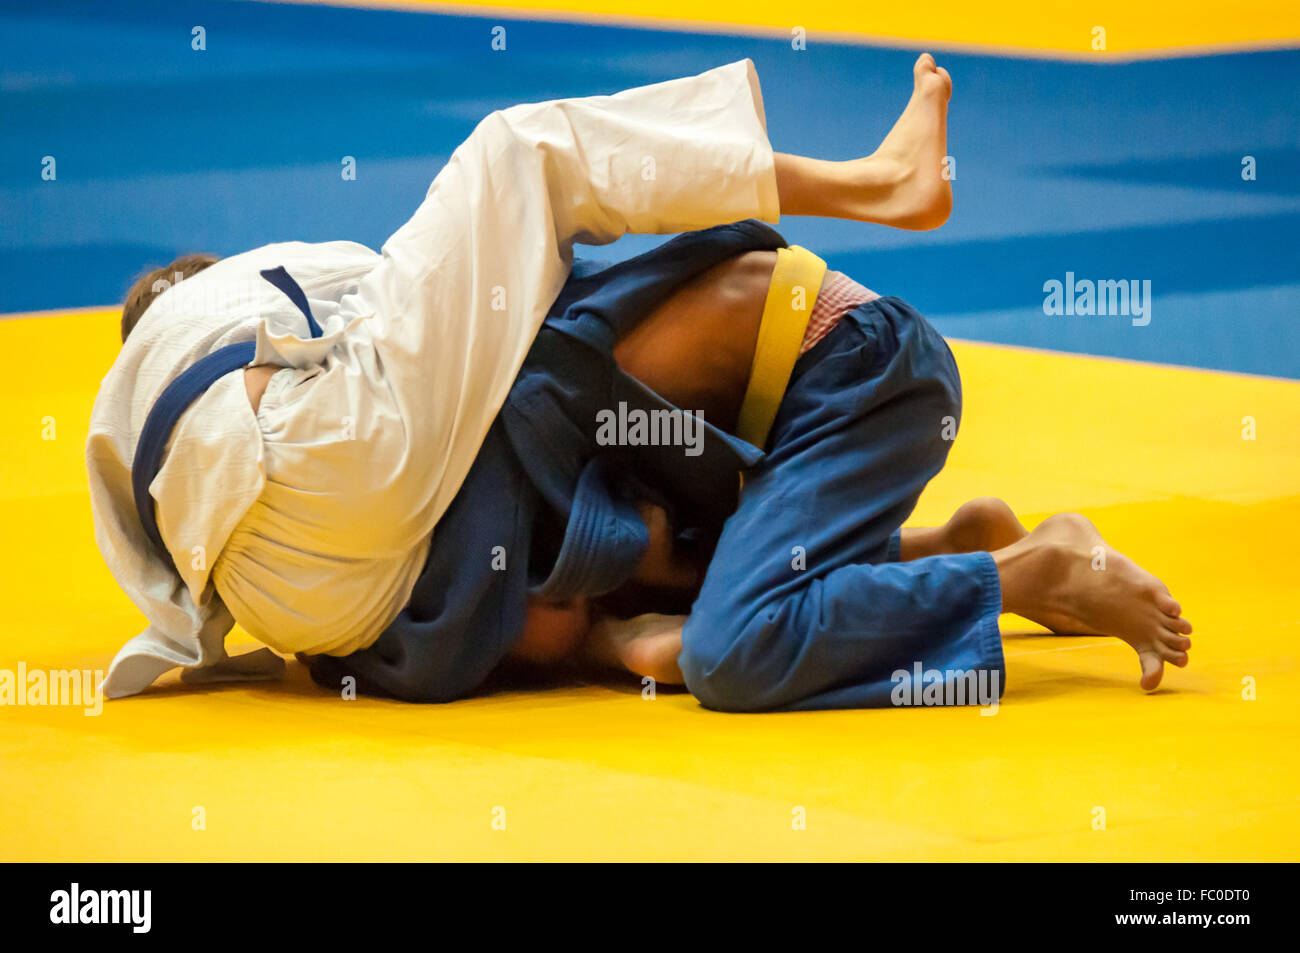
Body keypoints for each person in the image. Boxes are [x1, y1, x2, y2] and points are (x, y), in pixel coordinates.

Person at [92, 55, 966, 699]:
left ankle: (604, 640)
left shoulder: (134, 427)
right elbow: (398, 296)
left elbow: (170, 594)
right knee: (517, 153)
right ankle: (878, 184)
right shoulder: (235, 289)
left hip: (314, 612)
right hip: (335, 467)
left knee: (503, 523)